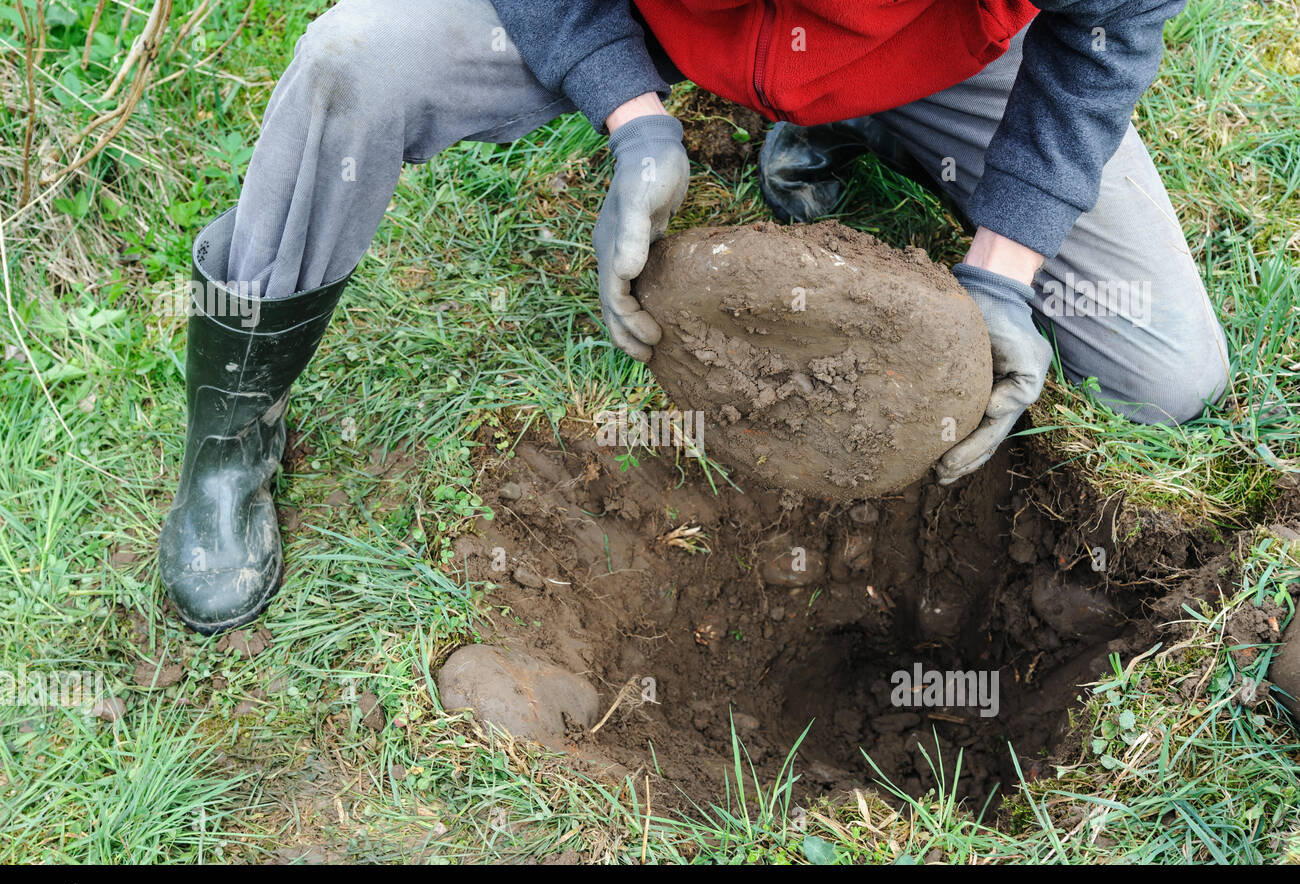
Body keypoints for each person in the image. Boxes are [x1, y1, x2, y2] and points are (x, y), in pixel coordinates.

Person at [158, 0, 1229, 634]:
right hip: (663, 19)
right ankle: (231, 428)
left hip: (926, 49)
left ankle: (855, 121)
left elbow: (1103, 35)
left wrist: (1004, 268)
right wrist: (626, 111)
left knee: (1168, 368)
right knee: (358, 61)